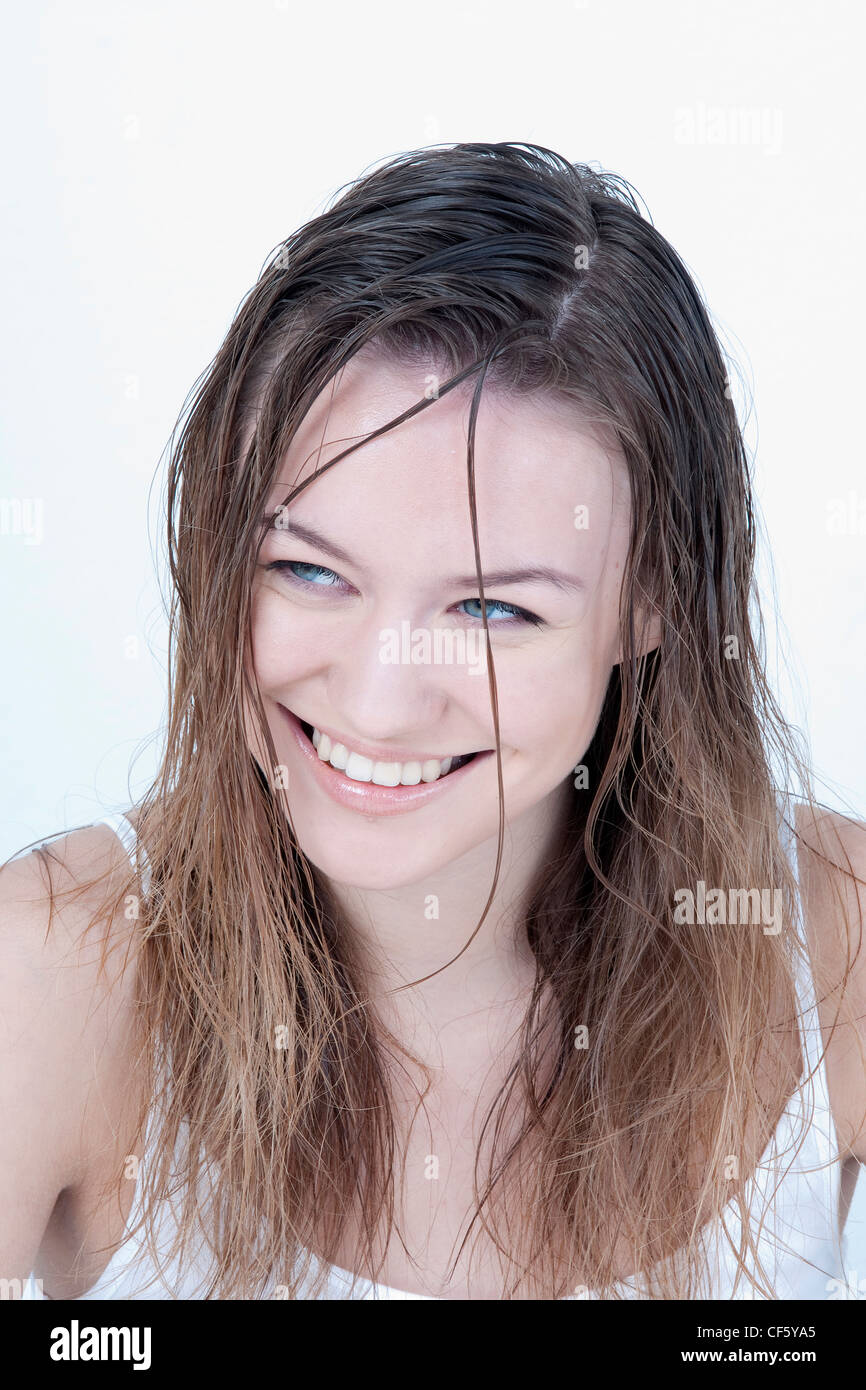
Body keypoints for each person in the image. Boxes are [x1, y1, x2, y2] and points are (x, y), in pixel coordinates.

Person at [3, 141, 865, 1301]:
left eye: (493, 606)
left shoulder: (830, 950)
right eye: (308, 571)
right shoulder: (57, 970)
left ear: (650, 598)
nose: (375, 695)